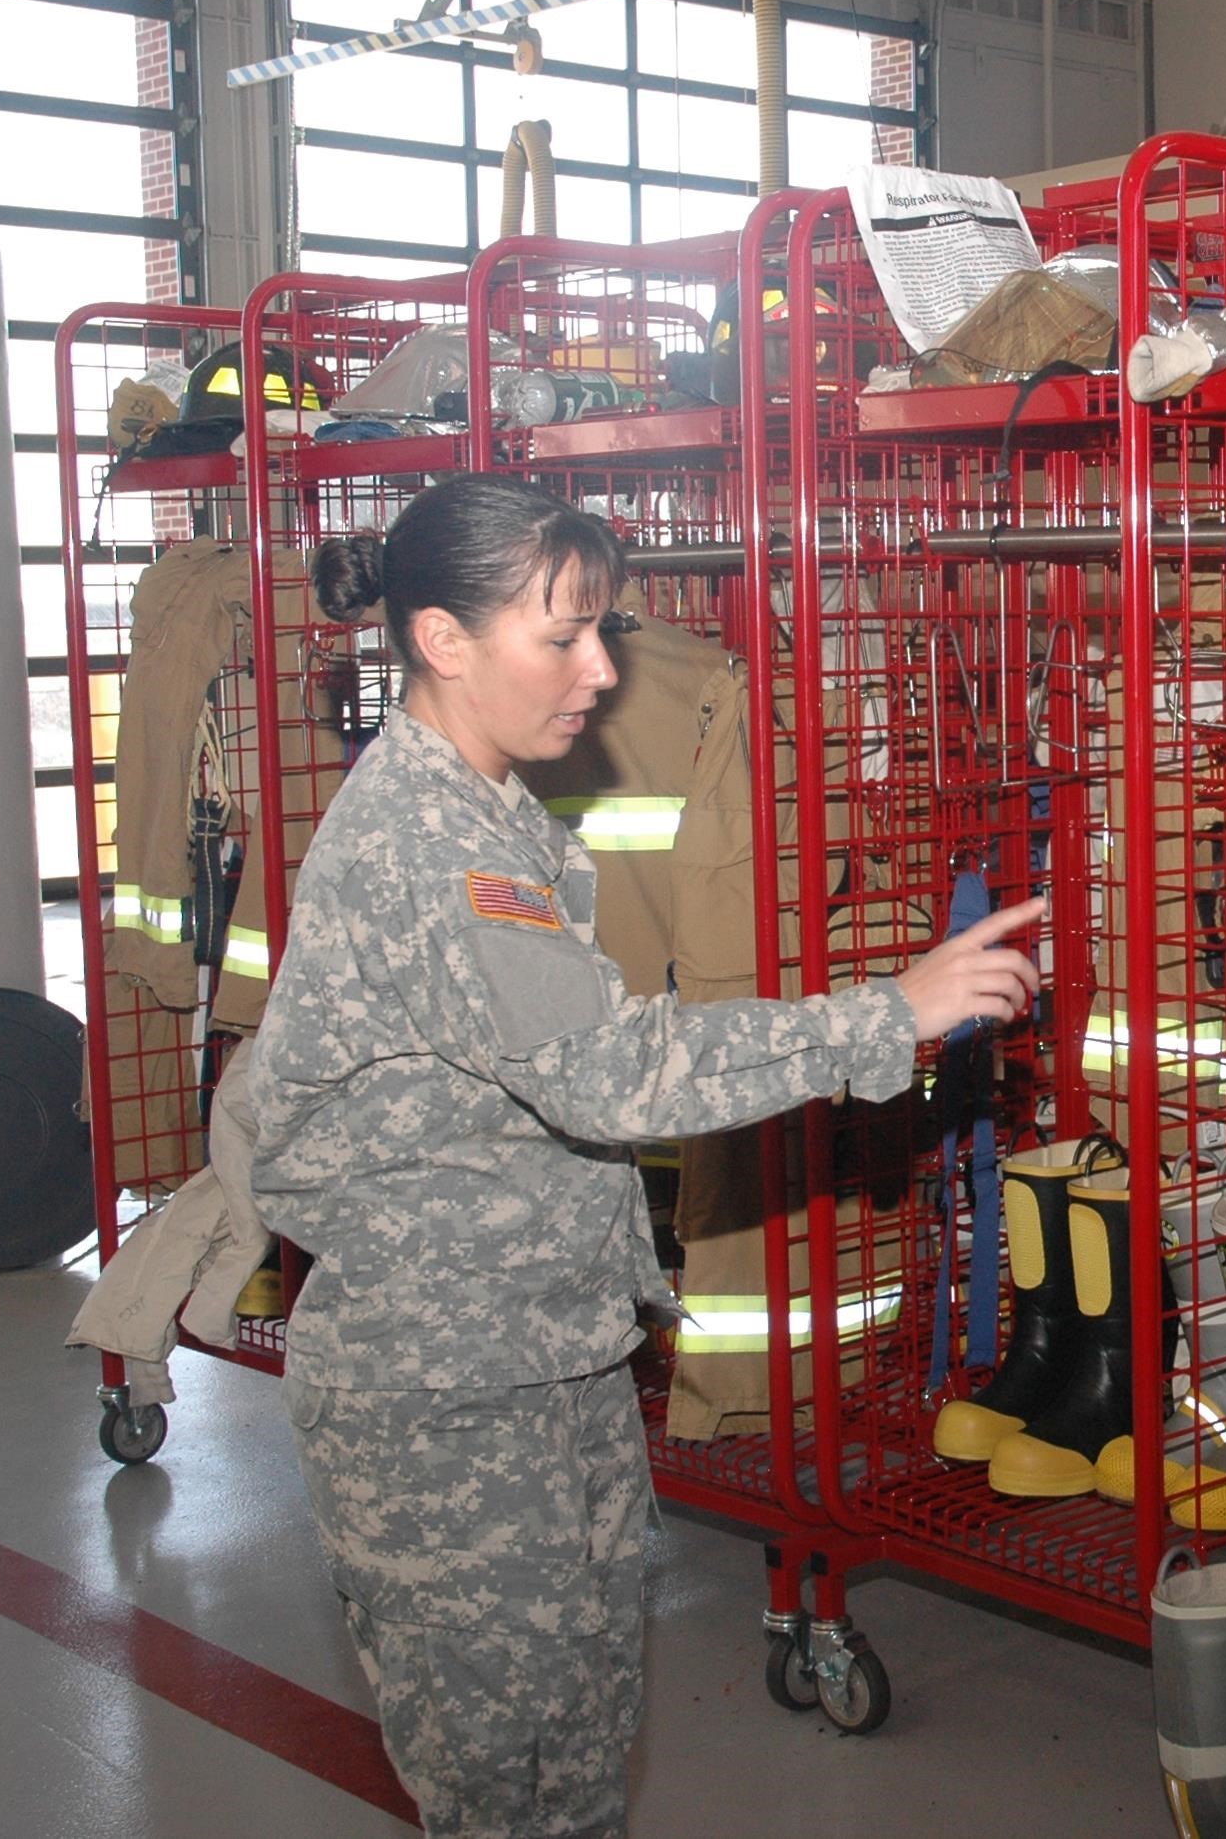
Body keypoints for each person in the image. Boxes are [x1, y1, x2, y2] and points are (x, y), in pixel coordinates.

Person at [232, 474, 1041, 1837]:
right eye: (561, 639)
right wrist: (884, 1015)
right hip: (446, 1393)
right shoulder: (434, 846)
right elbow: (609, 1072)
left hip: (540, 1351)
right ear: (441, 638)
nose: (601, 674)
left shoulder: (493, 817)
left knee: (583, 1743)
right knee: (503, 1782)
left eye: (603, 633)